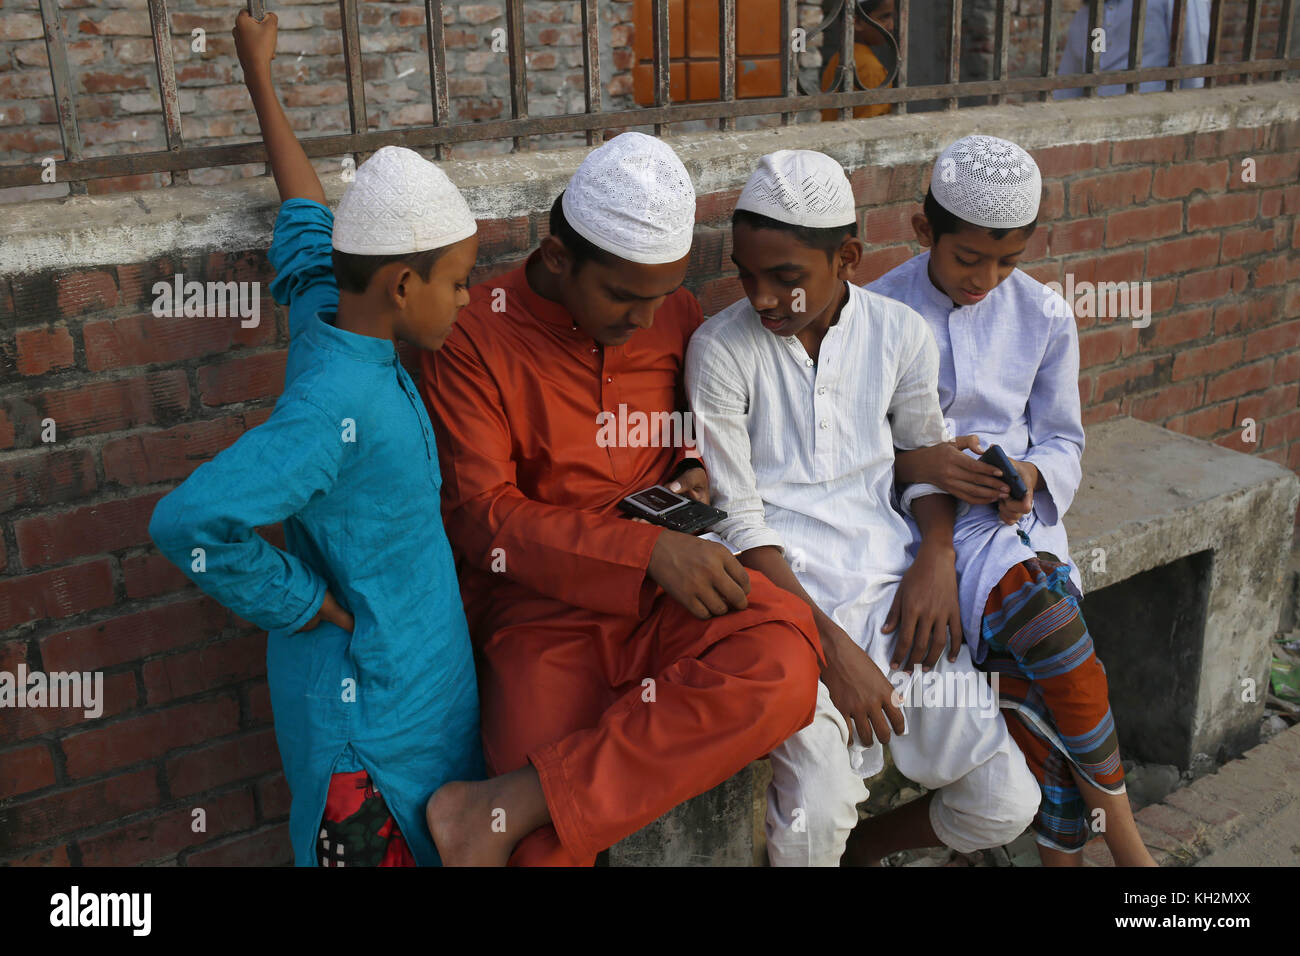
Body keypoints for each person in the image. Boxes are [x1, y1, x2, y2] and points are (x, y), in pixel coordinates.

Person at [418, 132, 824, 867]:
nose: (645, 319)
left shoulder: (671, 312)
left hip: (669, 595)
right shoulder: (471, 335)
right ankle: (519, 810)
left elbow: (691, 423)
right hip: (541, 612)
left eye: (661, 296)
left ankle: (507, 801)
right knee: (538, 850)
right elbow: (482, 518)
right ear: (556, 258)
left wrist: (690, 464)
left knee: (784, 661)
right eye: (623, 296)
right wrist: (646, 552)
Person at [148, 9, 483, 867]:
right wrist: (304, 603)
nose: (470, 302)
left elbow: (304, 208)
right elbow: (188, 522)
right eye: (459, 283)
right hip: (366, 732)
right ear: (404, 284)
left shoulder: (327, 303)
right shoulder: (338, 402)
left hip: (420, 686)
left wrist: (257, 70)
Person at [685, 149, 1040, 867]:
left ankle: (865, 856)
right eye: (747, 275)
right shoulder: (720, 349)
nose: (760, 298)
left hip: (890, 593)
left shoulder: (898, 333)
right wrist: (830, 651)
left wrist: (936, 558)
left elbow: (923, 460)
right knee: (815, 815)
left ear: (846, 256)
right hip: (782, 613)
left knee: (1008, 800)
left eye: (785, 279)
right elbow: (737, 518)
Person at [867, 134, 1156, 866]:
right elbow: (852, 453)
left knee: (1037, 683)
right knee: (1050, 628)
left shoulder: (1046, 316)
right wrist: (923, 465)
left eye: (1007, 262)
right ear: (923, 230)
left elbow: (1065, 442)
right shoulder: (875, 312)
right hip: (918, 526)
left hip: (1015, 523)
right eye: (968, 259)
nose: (985, 279)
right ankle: (1132, 856)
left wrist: (1028, 475)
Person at [1055, 0, 1211, 98]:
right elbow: (1070, 81)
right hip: (1095, 123)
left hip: (1153, 116)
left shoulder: (1175, 3)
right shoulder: (1088, 13)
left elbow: (1194, 63)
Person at [821, 0, 897, 120]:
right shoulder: (870, 67)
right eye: (884, 17)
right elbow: (873, 126)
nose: (891, 26)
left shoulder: (840, 58)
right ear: (856, 22)